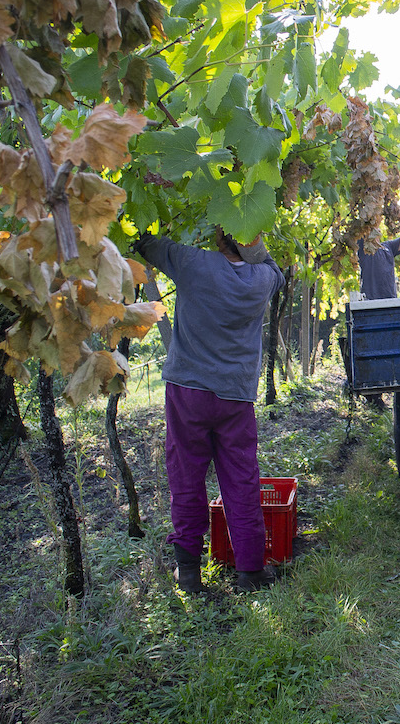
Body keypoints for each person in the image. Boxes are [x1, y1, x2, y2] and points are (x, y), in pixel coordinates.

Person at [135, 227, 285, 593]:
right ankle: (251, 571)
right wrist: (249, 238)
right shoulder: (263, 279)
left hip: (188, 391)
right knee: (241, 479)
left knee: (186, 477)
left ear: (219, 238)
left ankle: (188, 573)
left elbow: (146, 244)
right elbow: (274, 268)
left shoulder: (192, 262)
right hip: (235, 397)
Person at [357, 205, 400, 300]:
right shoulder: (364, 247)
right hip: (370, 301)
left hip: (390, 300)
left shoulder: (389, 246)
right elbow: (368, 222)